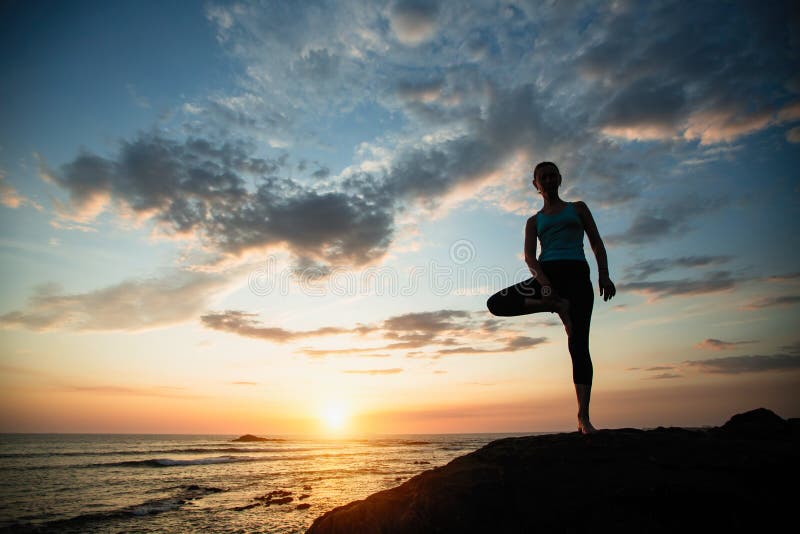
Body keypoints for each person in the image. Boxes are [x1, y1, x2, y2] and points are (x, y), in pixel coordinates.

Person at [486, 161, 616, 434]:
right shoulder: (534, 221)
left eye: (551, 175)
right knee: (496, 303)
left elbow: (596, 242)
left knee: (578, 345)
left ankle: (583, 417)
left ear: (559, 179)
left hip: (578, 277)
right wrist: (545, 287)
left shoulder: (577, 208)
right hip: (548, 276)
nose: (547, 179)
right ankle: (553, 305)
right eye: (541, 177)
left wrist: (603, 275)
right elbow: (530, 257)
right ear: (536, 185)